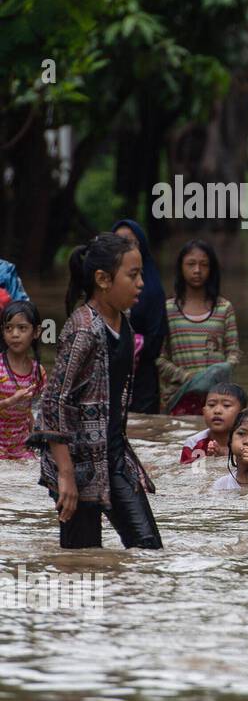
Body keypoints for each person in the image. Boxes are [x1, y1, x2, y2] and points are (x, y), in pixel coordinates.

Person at [27, 234, 162, 549]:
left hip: (113, 456)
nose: (141, 282)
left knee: (148, 550)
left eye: (141, 273)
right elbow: (52, 403)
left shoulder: (123, 322)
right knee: (82, 557)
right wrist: (66, 476)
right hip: (77, 465)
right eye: (133, 275)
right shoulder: (83, 330)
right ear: (103, 279)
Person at [157, 239, 241, 415]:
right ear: (181, 267)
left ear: (211, 269)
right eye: (191, 264)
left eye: (204, 265)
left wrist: (215, 374)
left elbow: (233, 353)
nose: (197, 270)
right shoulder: (167, 309)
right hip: (178, 397)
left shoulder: (224, 308)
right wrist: (188, 378)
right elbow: (159, 358)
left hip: (217, 400)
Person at [111, 220, 168, 414]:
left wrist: (132, 345)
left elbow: (157, 339)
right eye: (118, 242)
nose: (124, 248)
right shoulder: (101, 286)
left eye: (131, 242)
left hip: (142, 377)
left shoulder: (152, 289)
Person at [0, 299, 45, 460]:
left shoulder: (38, 372)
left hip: (22, 448)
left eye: (22, 328)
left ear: (36, 332)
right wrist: (10, 401)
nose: (15, 334)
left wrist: (38, 440)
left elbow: (29, 412)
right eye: (8, 328)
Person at [179, 382, 247, 465]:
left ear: (242, 414)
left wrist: (224, 459)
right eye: (211, 405)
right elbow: (188, 473)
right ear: (203, 411)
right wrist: (208, 462)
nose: (217, 411)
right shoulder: (193, 444)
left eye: (226, 405)